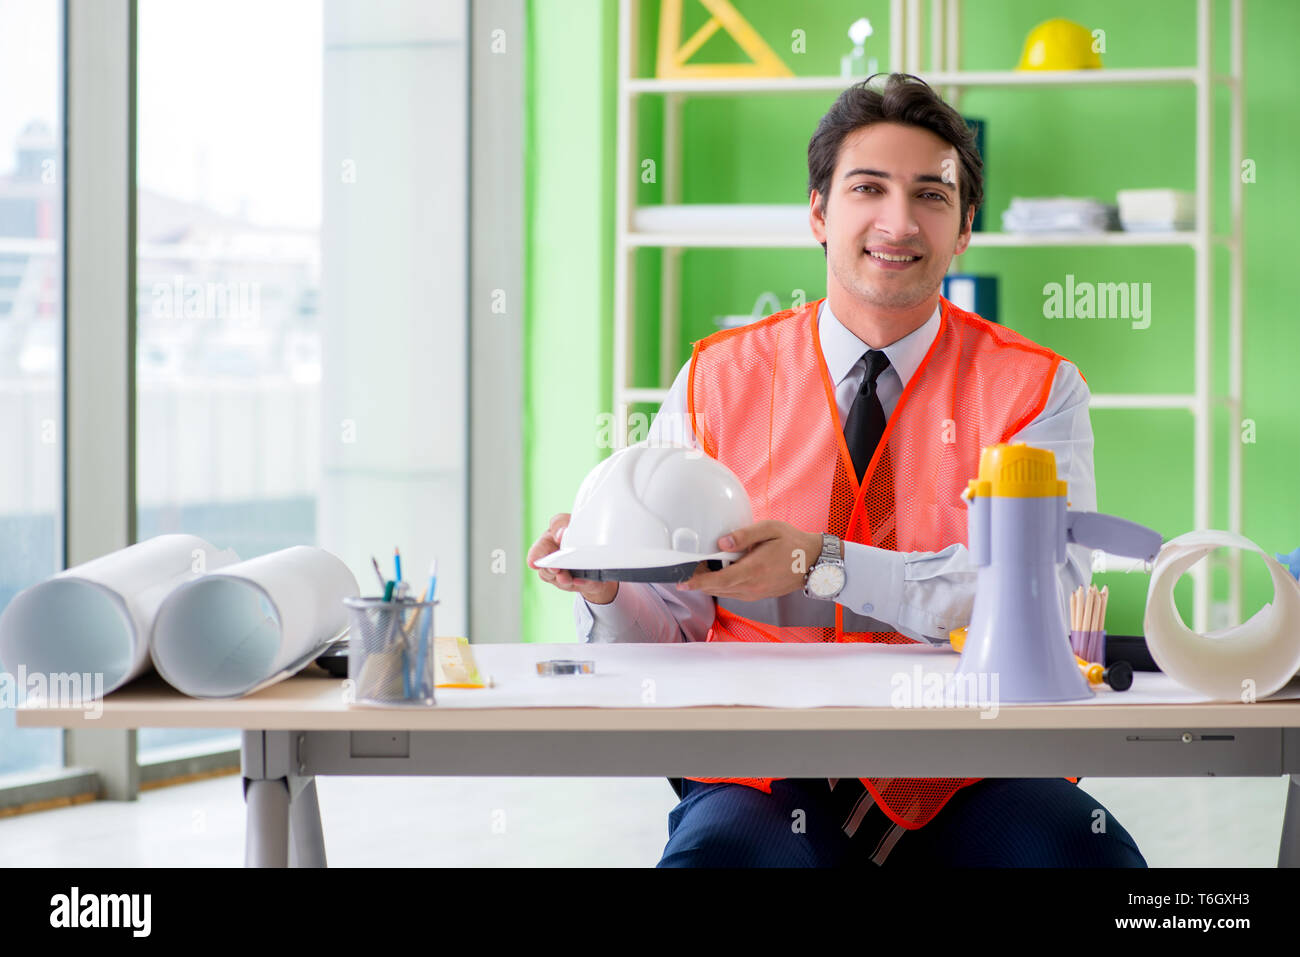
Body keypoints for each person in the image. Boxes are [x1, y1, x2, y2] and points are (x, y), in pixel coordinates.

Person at [528, 73, 1146, 868]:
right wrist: (610, 591)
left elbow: (1047, 605)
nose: (898, 221)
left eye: (931, 194)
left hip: (968, 767)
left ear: (964, 229)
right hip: (761, 766)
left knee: (1083, 859)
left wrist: (825, 564)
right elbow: (671, 624)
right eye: (868, 189)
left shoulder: (1036, 389)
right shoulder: (714, 379)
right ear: (819, 212)